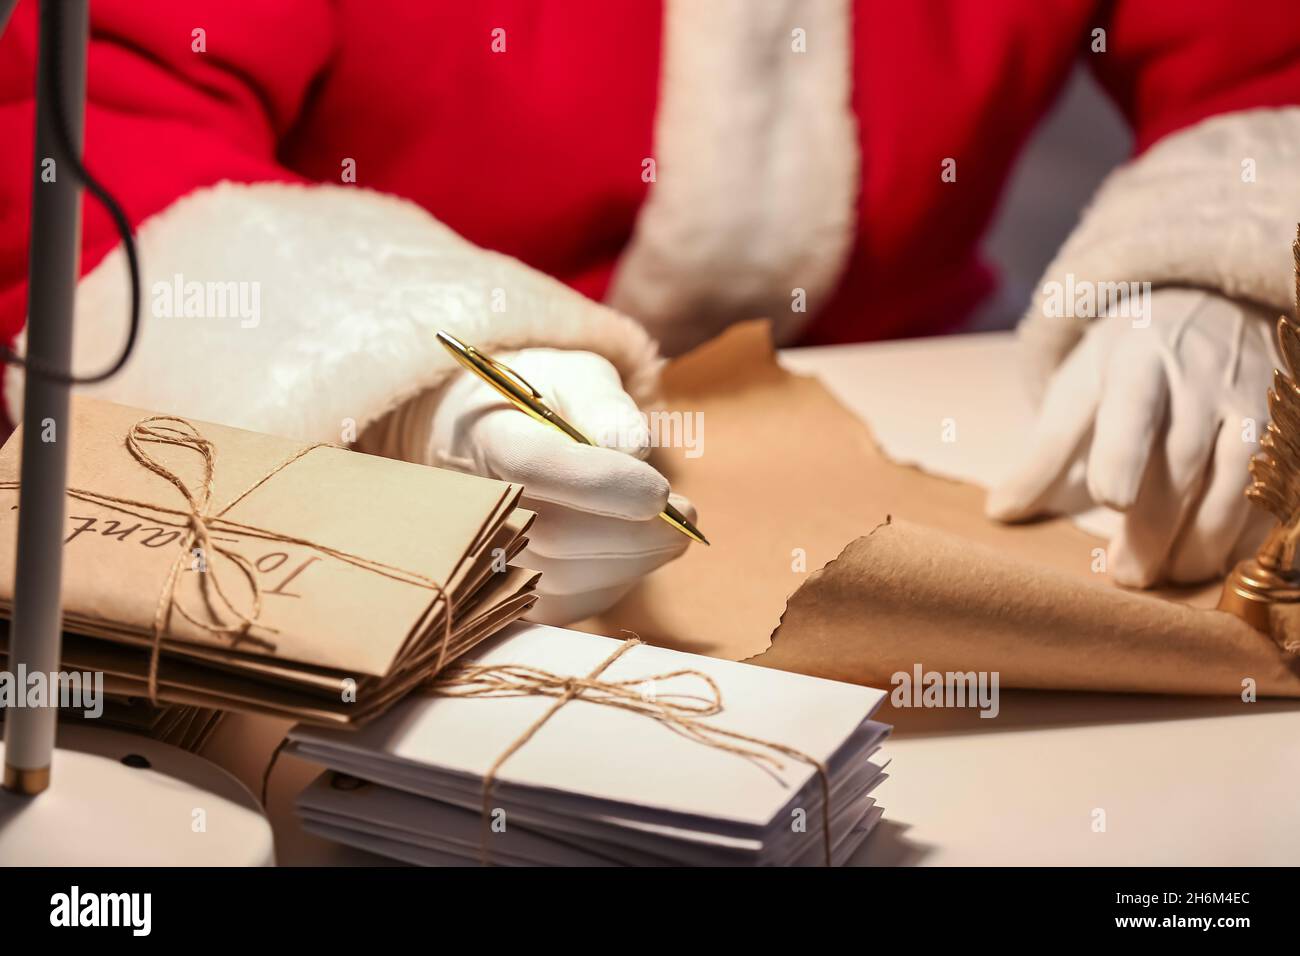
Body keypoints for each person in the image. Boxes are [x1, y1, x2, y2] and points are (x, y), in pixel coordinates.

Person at [1, 1, 1298, 622]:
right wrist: (390, 381)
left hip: (935, 428)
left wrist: (1232, 263)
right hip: (396, 568)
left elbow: (1263, 59)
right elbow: (82, 165)